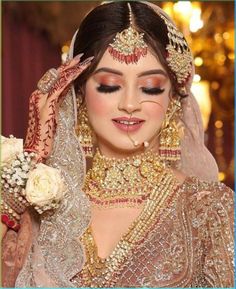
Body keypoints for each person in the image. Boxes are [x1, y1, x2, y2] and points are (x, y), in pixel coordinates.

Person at [1, 1, 234, 287]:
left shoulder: (210, 210)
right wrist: (32, 157)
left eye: (150, 88)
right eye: (109, 85)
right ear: (80, 94)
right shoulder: (46, 206)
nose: (130, 104)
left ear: (172, 98)